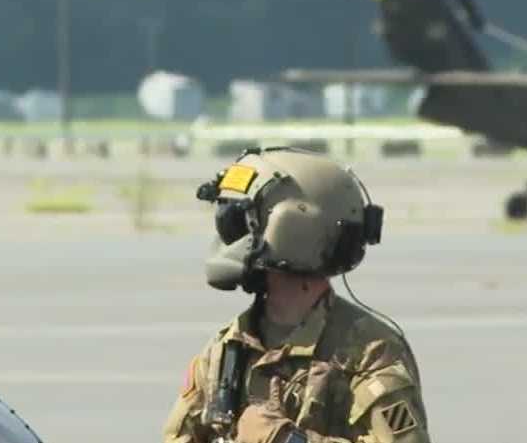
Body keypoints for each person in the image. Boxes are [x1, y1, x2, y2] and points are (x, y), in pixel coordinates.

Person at [163, 148, 430, 443]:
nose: (230, 239)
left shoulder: (369, 352)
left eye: (243, 224)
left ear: (294, 229)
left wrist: (286, 440)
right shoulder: (226, 349)